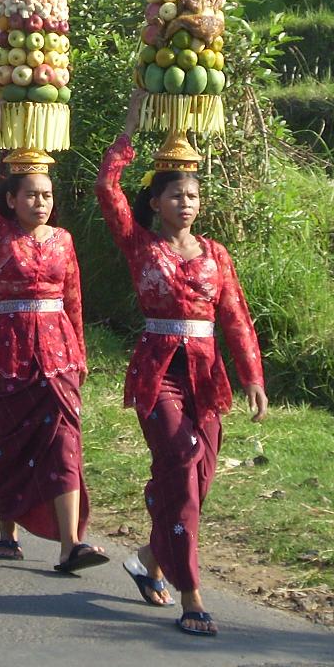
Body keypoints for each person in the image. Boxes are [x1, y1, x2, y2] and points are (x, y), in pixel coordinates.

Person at [95, 93, 268, 638]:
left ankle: (147, 559)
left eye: (193, 195)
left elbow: (236, 317)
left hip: (205, 378)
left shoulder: (216, 255)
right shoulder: (139, 245)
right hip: (158, 374)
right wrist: (129, 130)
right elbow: (106, 188)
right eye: (176, 195)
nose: (187, 203)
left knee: (198, 481)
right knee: (182, 465)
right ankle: (191, 597)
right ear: (157, 200)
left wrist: (253, 377)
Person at [0, 104, 106, 572]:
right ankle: (7, 530)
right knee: (9, 441)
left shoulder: (63, 240)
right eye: (31, 195)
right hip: (10, 351)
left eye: (46, 195)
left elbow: (74, 300)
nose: (40, 203)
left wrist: (81, 354)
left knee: (65, 440)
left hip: (58, 352)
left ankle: (71, 544)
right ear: (11, 200)